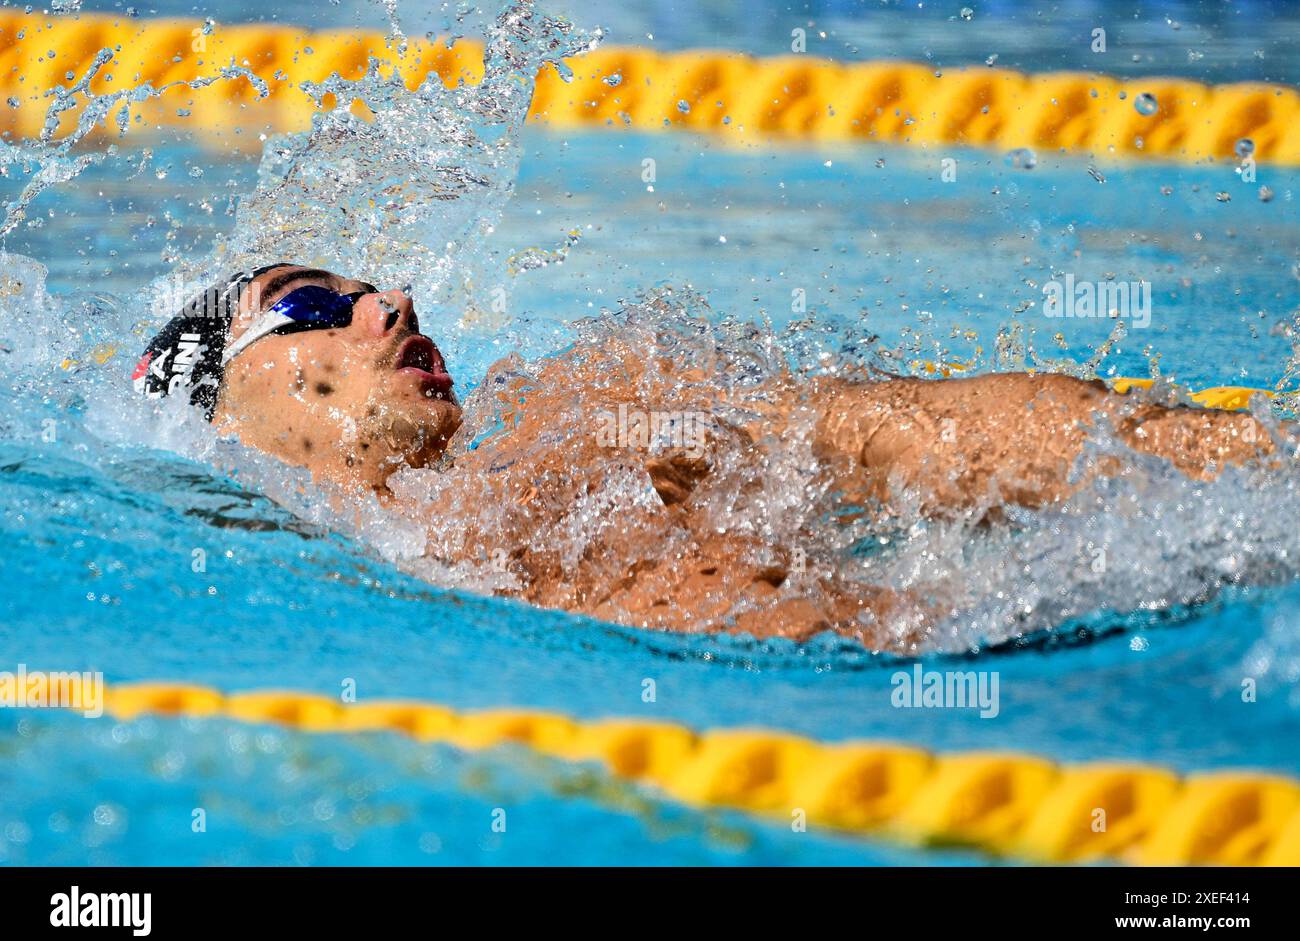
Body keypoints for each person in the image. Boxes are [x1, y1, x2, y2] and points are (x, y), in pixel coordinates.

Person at [135, 263, 1279, 648]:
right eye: (307, 304)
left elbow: (896, 429)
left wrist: (1229, 458)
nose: (389, 299)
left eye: (367, 284)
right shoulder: (324, 584)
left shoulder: (587, 409)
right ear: (220, 414)